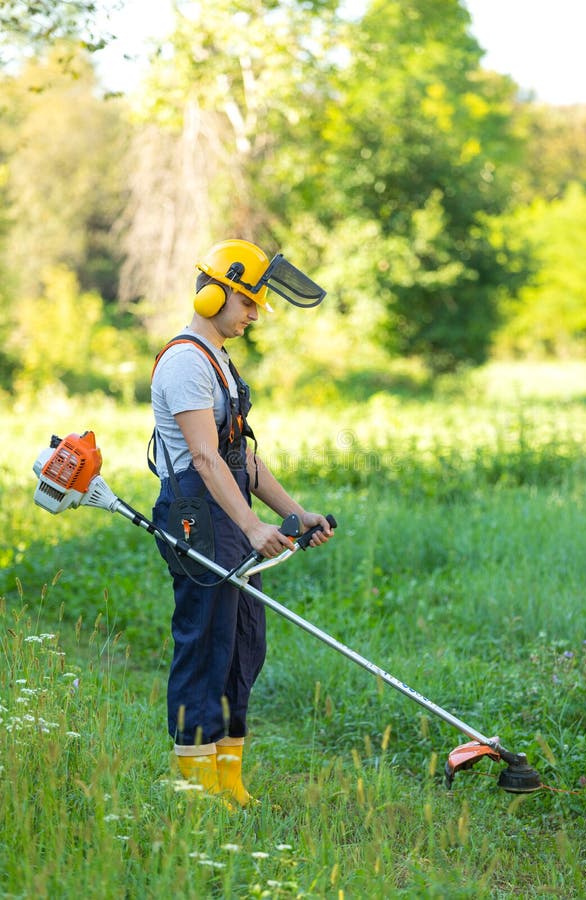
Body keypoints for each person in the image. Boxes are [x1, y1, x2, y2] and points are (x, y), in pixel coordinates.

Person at [150, 238, 333, 808]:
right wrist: (253, 528)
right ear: (213, 294)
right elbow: (203, 459)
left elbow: (239, 458)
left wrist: (291, 512)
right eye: (248, 301)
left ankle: (229, 778)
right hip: (198, 517)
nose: (254, 314)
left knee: (242, 643)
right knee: (205, 642)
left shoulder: (220, 363)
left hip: (227, 511)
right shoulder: (184, 362)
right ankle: (192, 782)